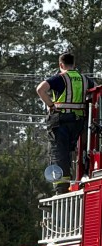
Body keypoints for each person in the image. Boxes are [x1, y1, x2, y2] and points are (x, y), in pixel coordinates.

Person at [36, 53, 95, 194]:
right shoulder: (85, 80)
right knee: (75, 152)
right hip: (79, 123)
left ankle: (61, 189)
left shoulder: (60, 78)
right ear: (74, 64)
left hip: (61, 122)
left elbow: (40, 89)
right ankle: (79, 180)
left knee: (59, 153)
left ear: (61, 65)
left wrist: (51, 105)